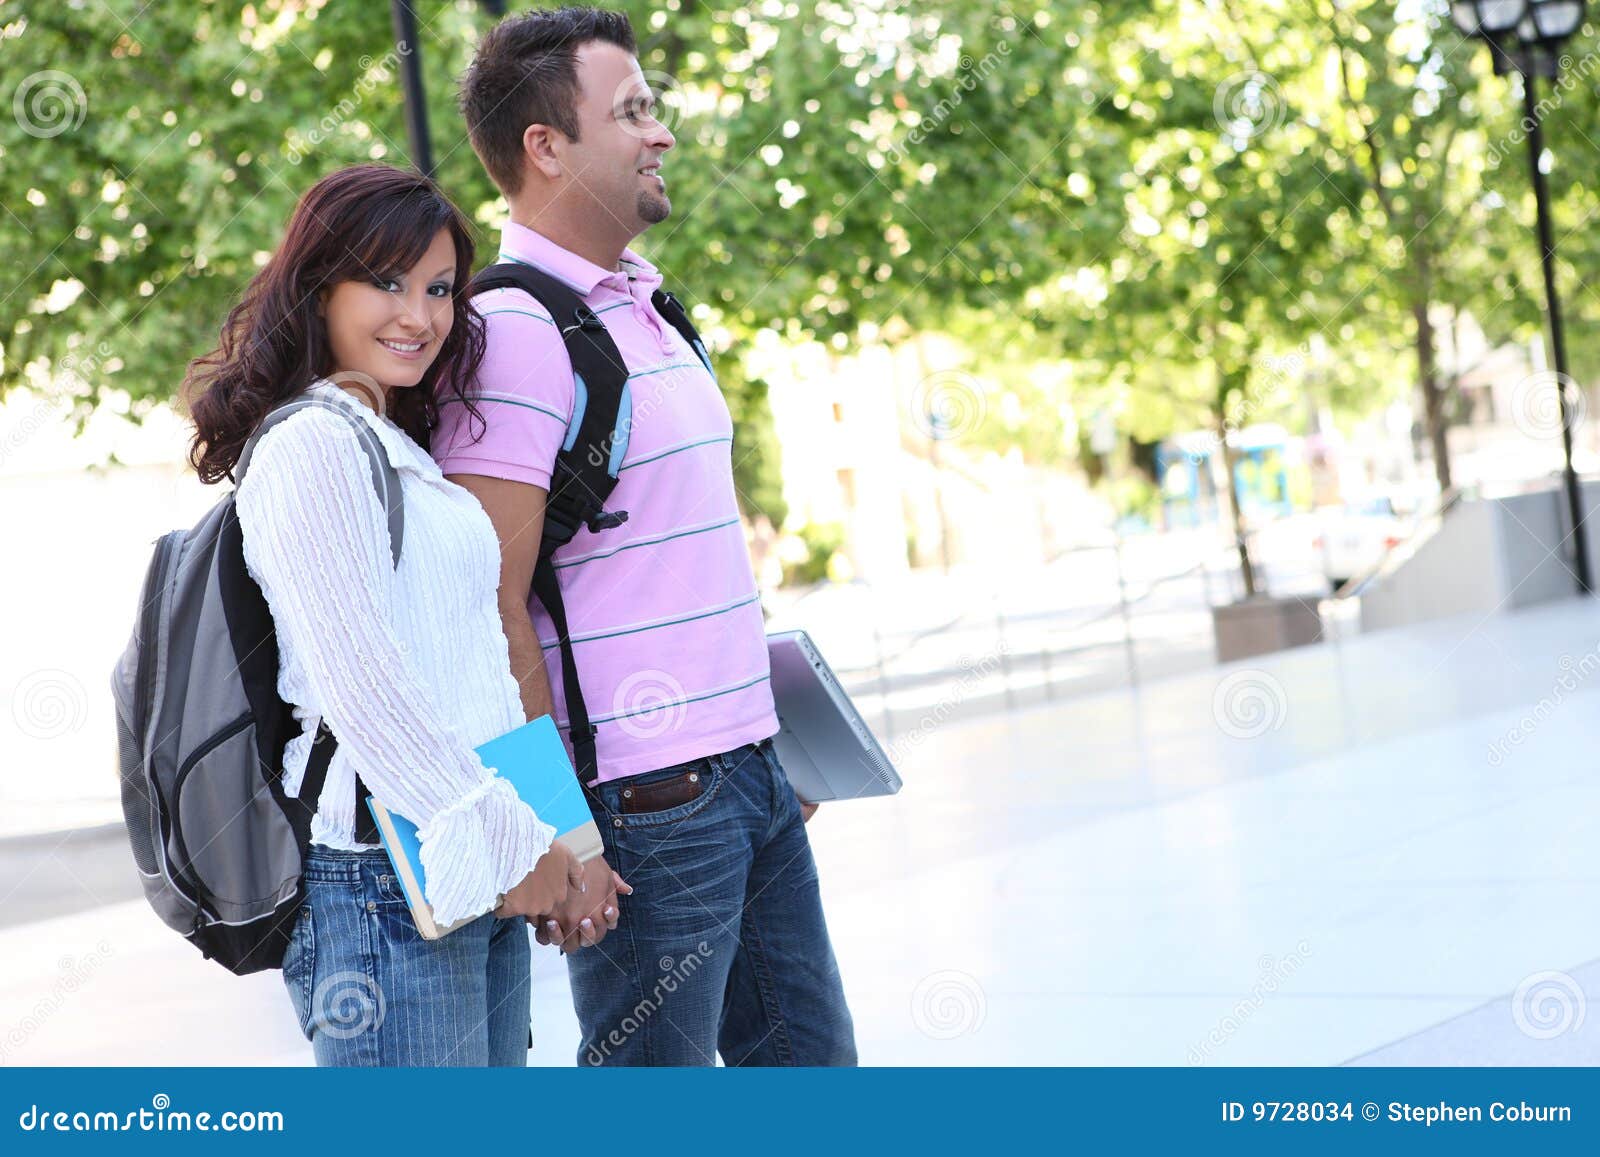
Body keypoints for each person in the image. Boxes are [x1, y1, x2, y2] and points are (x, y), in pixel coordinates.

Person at [441, 8, 857, 1065]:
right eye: (632, 112)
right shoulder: (515, 339)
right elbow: (484, 608)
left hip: (747, 776)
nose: (661, 133)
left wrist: (770, 742)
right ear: (546, 147)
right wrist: (560, 829)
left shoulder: (651, 308)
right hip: (644, 806)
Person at [185, 163, 595, 1066]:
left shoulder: (396, 446)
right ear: (318, 289)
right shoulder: (311, 446)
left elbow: (477, 664)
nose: (421, 314)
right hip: (377, 885)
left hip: (462, 868)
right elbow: (364, 682)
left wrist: (556, 836)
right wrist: (507, 839)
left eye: (441, 288)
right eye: (387, 281)